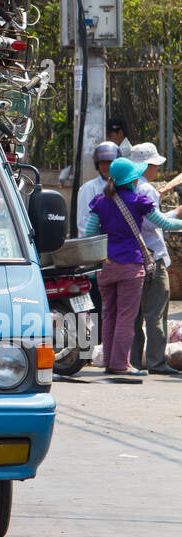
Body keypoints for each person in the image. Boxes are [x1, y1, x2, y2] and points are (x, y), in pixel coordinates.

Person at [83, 156, 182, 377]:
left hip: (106, 267)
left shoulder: (100, 201)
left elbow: (89, 234)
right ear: (132, 180)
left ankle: (110, 361)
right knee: (126, 317)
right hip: (131, 266)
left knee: (109, 315)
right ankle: (121, 364)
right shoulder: (138, 200)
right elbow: (164, 223)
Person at [128, 142, 182, 375]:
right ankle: (157, 364)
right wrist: (176, 217)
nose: (156, 170)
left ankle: (133, 361)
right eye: (153, 165)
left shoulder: (125, 186)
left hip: (134, 256)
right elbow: (151, 223)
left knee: (135, 315)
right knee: (156, 313)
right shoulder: (147, 189)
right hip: (153, 257)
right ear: (145, 166)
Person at [76, 141, 118, 237]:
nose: (106, 166)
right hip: (98, 246)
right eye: (103, 162)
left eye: (110, 162)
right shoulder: (89, 188)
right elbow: (84, 225)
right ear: (97, 164)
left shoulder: (124, 186)